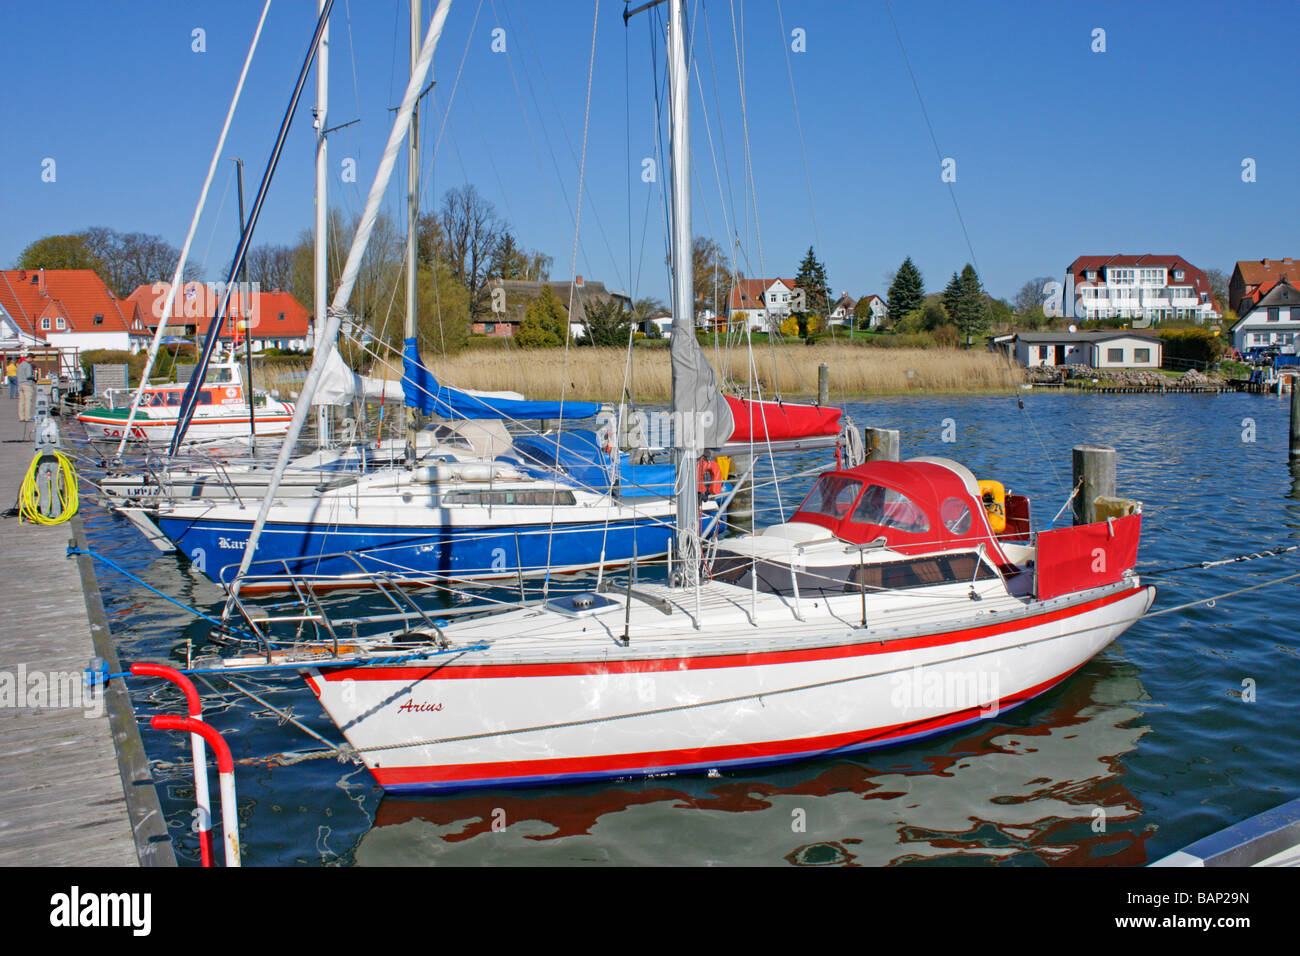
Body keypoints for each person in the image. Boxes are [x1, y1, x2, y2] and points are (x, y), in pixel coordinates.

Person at [16, 356, 36, 422]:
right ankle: (27, 417)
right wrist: (34, 377)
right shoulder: (28, 365)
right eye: (32, 359)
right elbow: (28, 375)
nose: (32, 360)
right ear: (29, 358)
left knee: (21, 402)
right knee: (28, 401)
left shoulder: (19, 365)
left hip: (20, 384)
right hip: (27, 384)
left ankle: (21, 417)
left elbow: (17, 375)